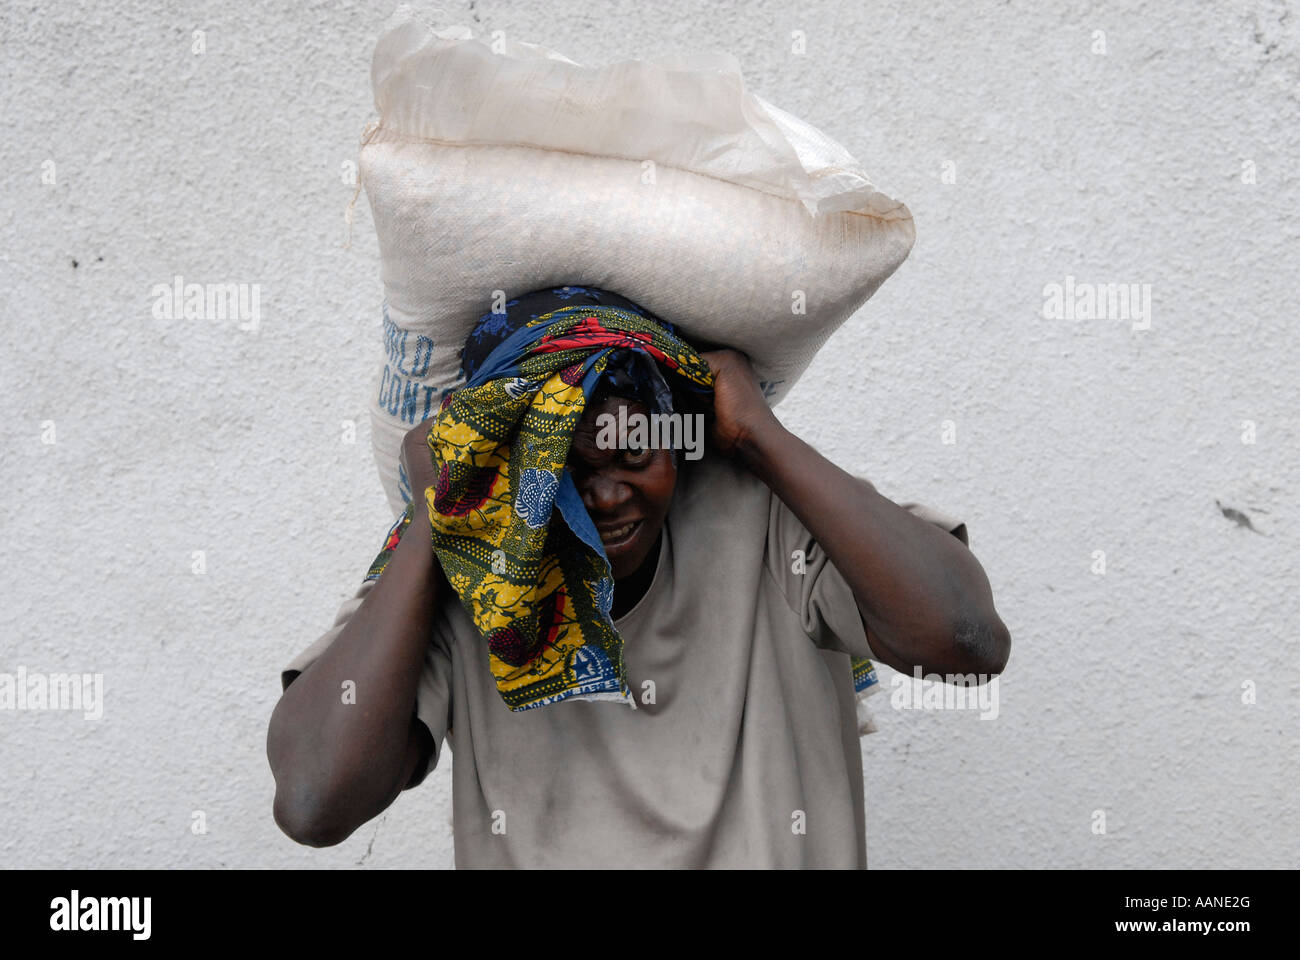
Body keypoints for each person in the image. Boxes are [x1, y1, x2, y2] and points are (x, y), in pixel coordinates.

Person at [266, 286, 1010, 868]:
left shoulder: (769, 517)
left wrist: (762, 435)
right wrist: (442, 510)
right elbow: (312, 801)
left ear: (678, 444)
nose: (611, 496)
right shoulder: (474, 567)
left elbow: (965, 640)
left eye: (634, 455)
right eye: (569, 471)